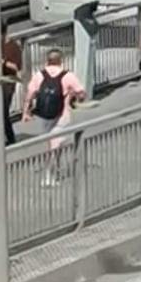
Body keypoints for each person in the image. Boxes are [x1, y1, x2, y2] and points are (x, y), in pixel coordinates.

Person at [26, 50, 85, 186]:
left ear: (47, 61)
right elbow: (82, 94)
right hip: (62, 116)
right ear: (60, 61)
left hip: (44, 115)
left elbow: (30, 94)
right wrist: (73, 96)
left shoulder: (39, 75)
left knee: (52, 144)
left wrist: (26, 113)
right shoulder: (68, 76)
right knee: (55, 145)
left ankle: (53, 171)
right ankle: (49, 175)